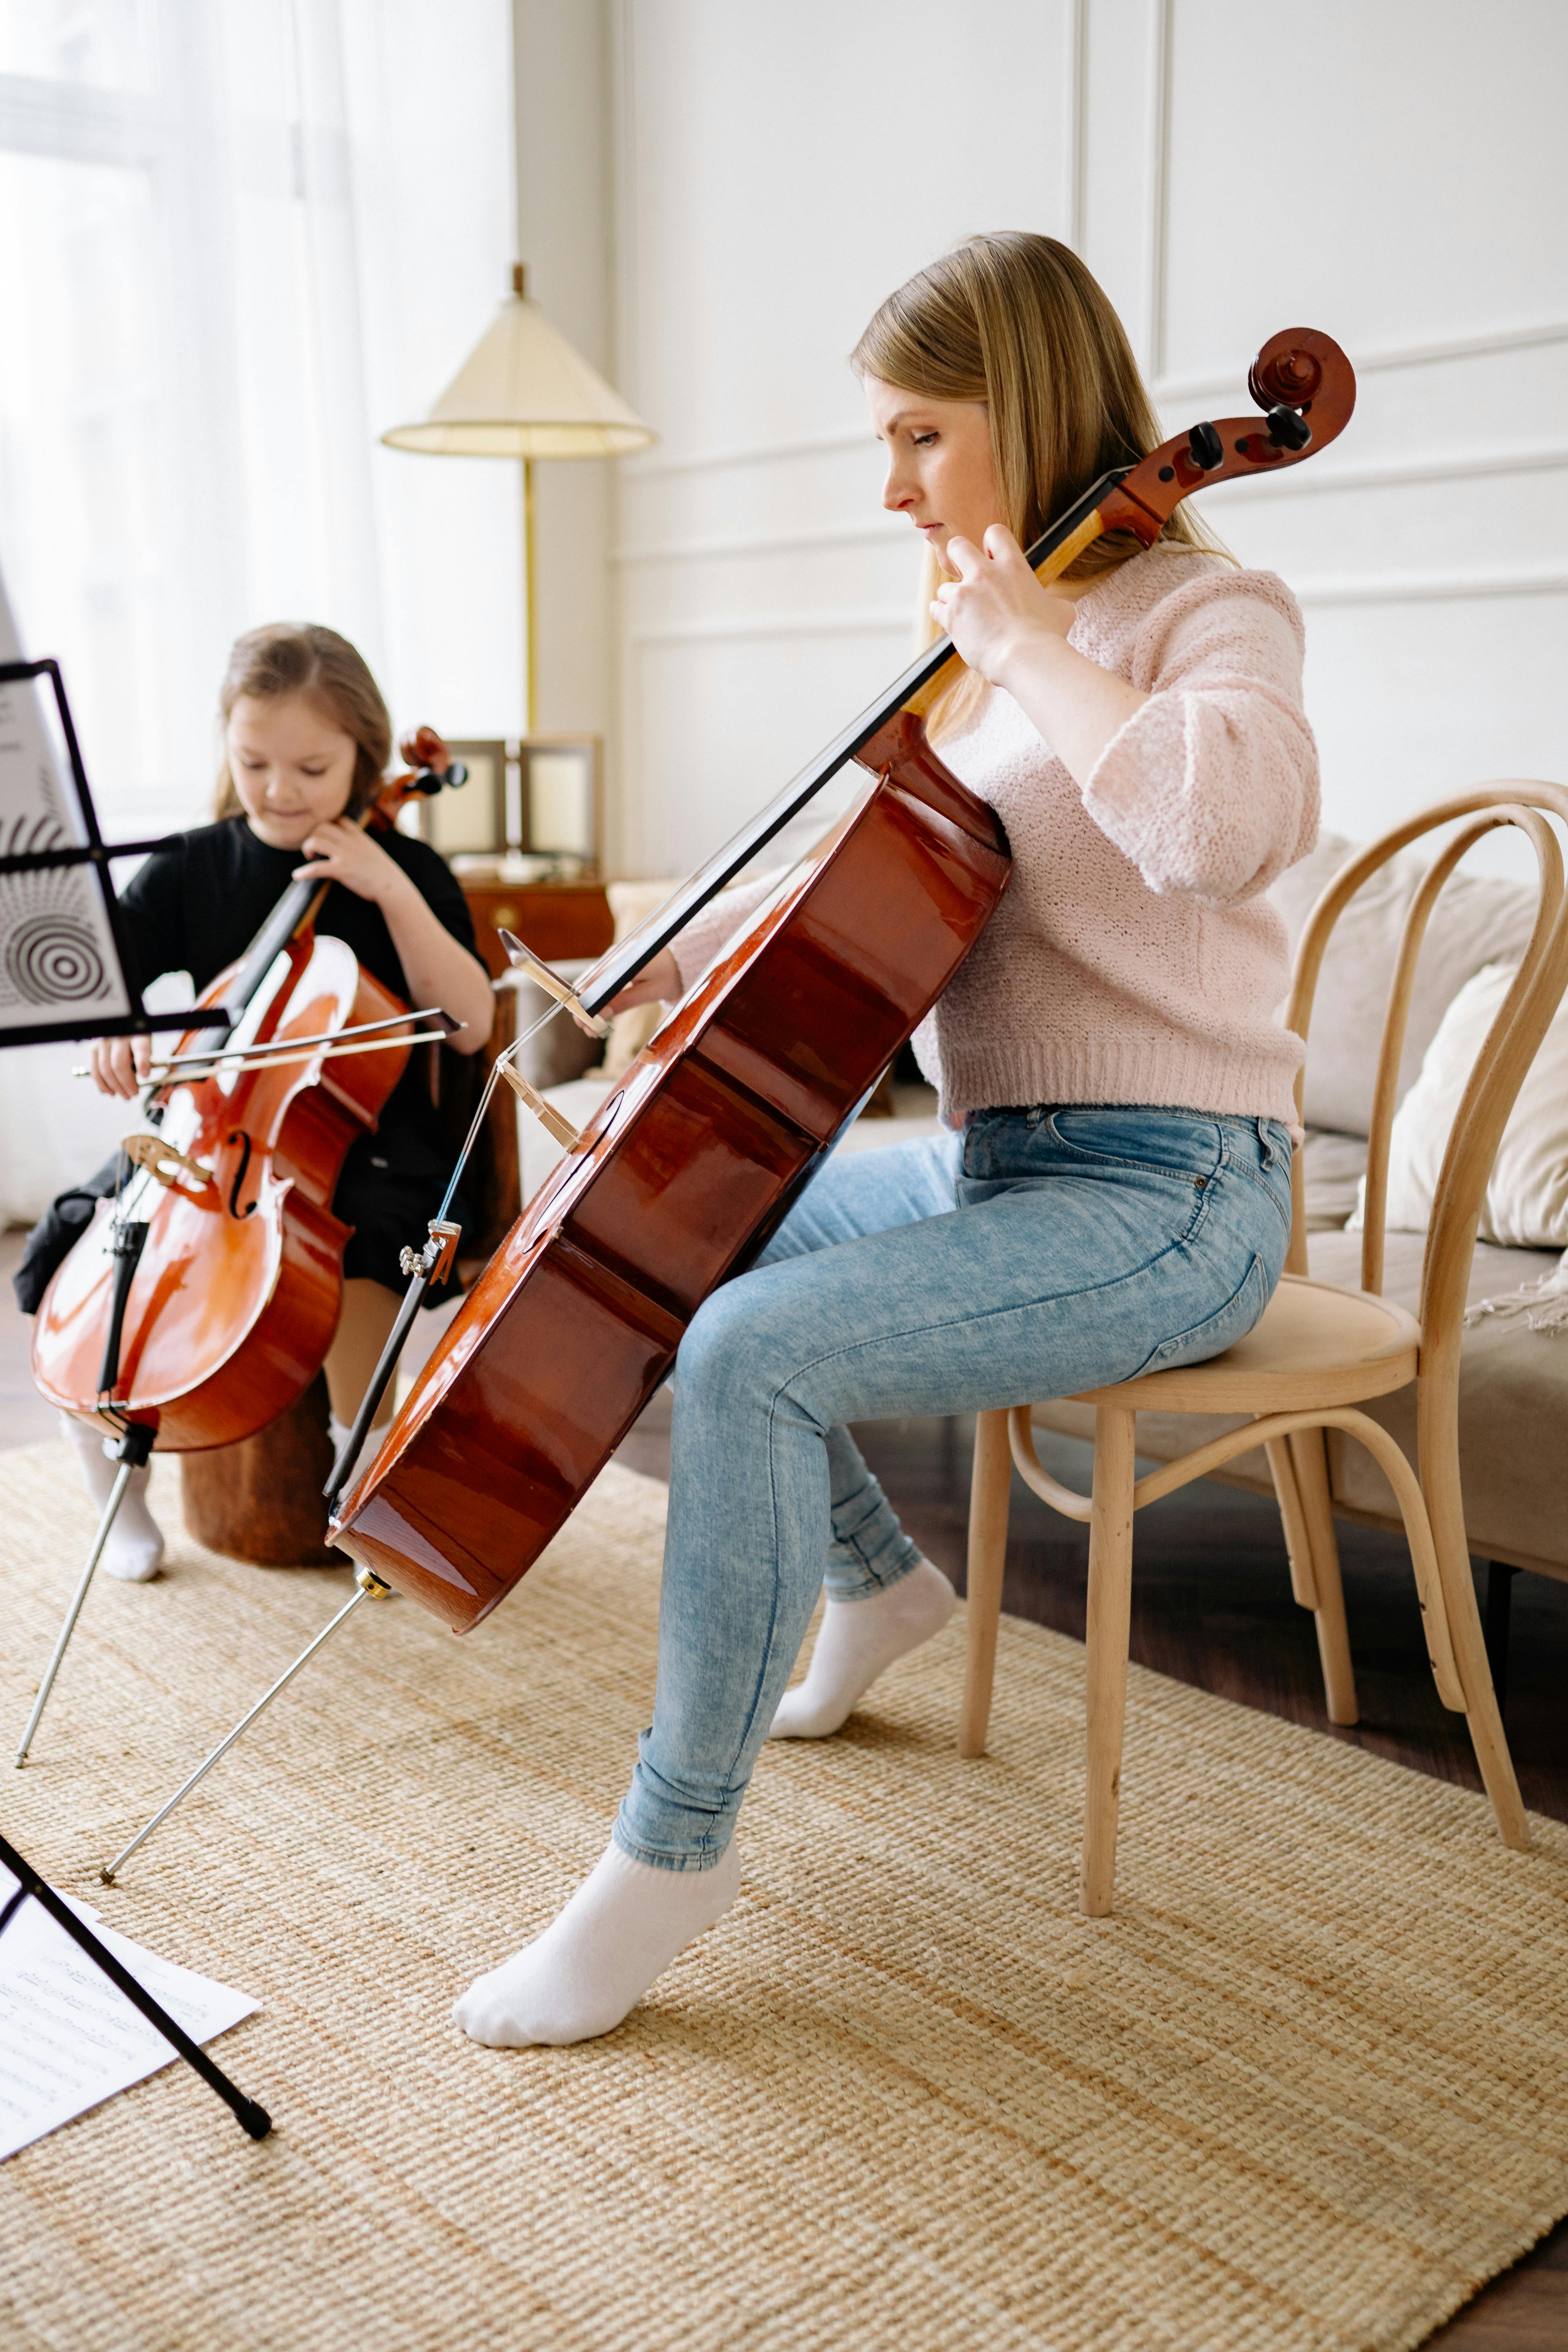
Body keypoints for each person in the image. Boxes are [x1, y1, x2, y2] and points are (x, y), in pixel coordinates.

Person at [453, 231, 1316, 2050]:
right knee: (694, 1235)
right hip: (1009, 1165)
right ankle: (877, 1583)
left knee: (753, 1352)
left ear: (1030, 403)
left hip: (1179, 1192)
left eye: (922, 434)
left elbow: (1207, 831)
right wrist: (660, 962)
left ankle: (671, 1859)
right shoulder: (985, 643)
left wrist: (1033, 642)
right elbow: (868, 877)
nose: (892, 481)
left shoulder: (1202, 614)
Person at [16, 622, 494, 1578]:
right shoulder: (198, 861)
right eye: (254, 762)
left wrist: (390, 890)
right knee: (86, 1247)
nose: (279, 789)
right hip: (219, 1135)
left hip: (367, 1139)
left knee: (357, 1249)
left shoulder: (403, 870)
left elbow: (472, 1021)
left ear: (365, 755)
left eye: (312, 767)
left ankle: (364, 1483)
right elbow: (101, 973)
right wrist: (114, 1025)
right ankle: (115, 1480)